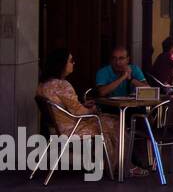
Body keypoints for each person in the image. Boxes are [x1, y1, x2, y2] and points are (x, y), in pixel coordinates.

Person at [37, 48, 137, 176]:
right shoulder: (62, 85)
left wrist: (83, 105)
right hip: (73, 128)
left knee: (110, 121)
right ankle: (123, 167)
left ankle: (113, 164)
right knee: (117, 123)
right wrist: (92, 109)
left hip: (57, 127)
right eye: (71, 61)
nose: (74, 63)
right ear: (61, 64)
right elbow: (79, 112)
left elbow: (61, 107)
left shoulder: (43, 85)